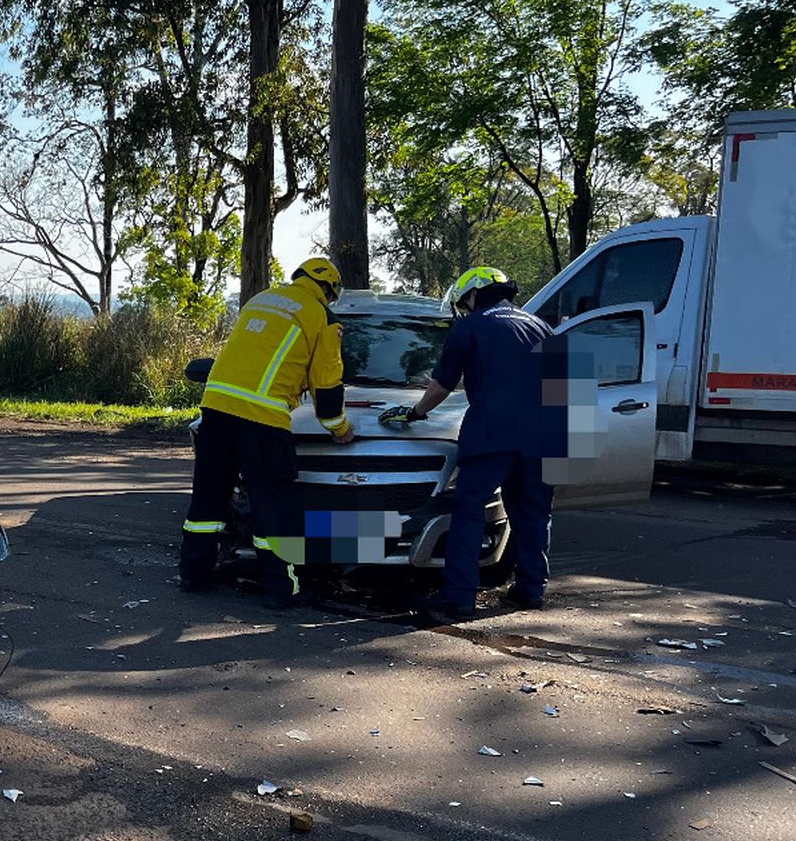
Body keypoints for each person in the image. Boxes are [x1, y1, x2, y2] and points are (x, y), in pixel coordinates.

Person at [181, 257, 355, 607]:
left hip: (215, 409)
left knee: (208, 498)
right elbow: (327, 384)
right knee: (272, 506)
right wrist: (340, 428)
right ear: (329, 291)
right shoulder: (322, 317)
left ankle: (192, 574)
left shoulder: (261, 300)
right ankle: (280, 589)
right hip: (262, 419)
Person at [384, 266, 554, 621]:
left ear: (475, 295)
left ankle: (459, 598)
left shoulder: (470, 327)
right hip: (543, 436)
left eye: (465, 301)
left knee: (467, 509)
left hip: (491, 435)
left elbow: (442, 386)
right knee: (533, 513)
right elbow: (570, 388)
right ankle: (531, 590)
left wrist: (414, 413)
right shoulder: (542, 326)